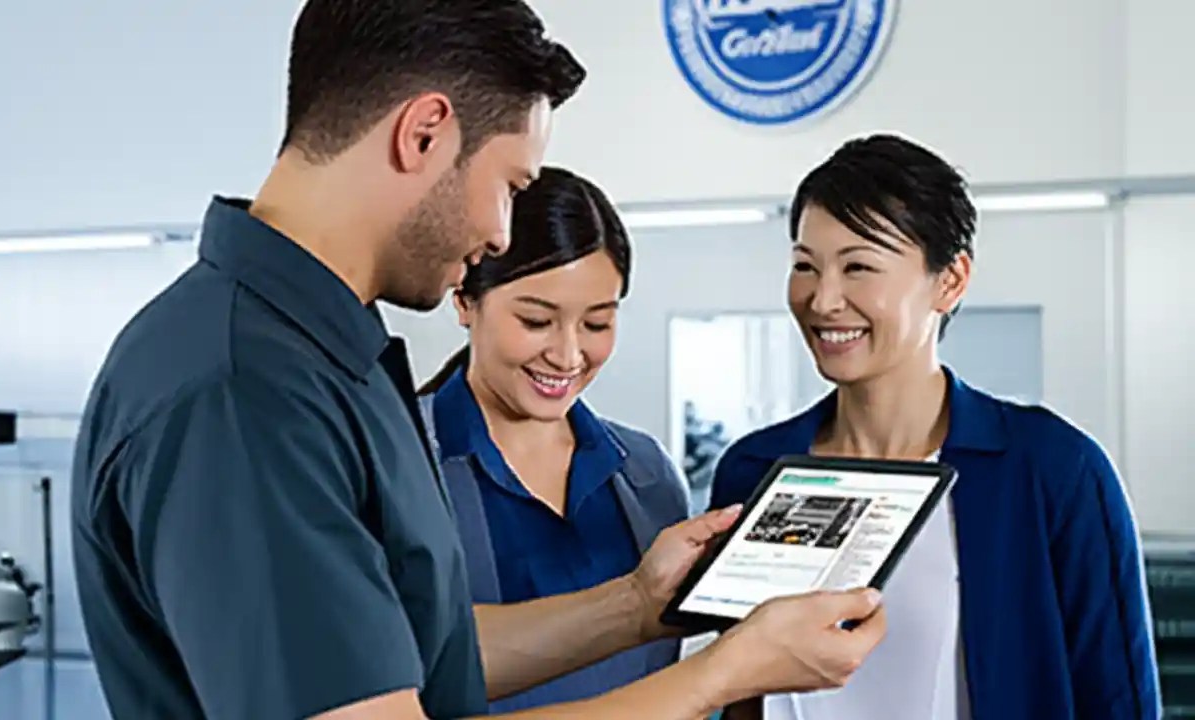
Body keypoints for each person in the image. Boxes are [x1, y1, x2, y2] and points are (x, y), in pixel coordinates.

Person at [69, 2, 888, 720]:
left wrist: (640, 606)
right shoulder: (248, 394)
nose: (502, 232)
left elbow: (420, 656)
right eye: (508, 183)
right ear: (422, 133)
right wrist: (726, 672)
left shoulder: (322, 359)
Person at [711, 134, 1161, 720]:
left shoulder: (1051, 467)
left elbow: (1118, 700)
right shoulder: (753, 470)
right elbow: (734, 694)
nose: (823, 299)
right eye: (805, 266)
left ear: (949, 280)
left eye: (859, 267)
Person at [415, 167, 690, 712]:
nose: (567, 356)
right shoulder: (398, 460)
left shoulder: (647, 475)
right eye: (537, 321)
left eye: (596, 324)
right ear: (465, 300)